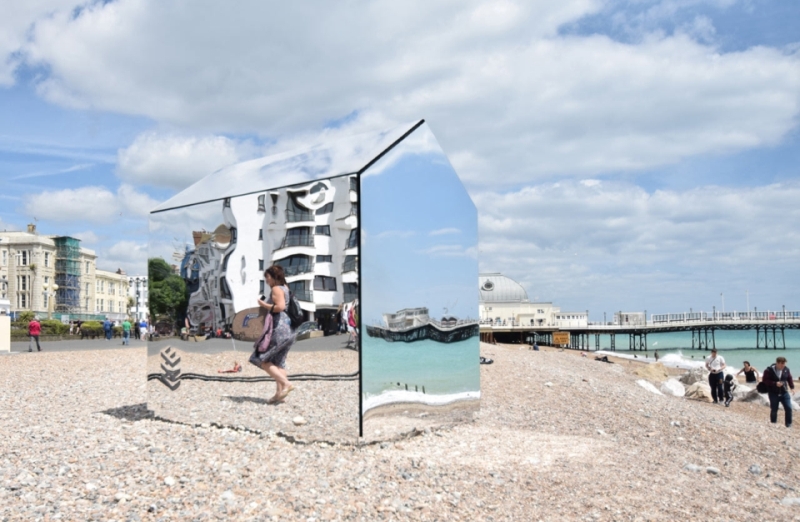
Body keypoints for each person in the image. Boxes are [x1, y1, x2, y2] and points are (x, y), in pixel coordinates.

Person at [249, 265, 297, 404]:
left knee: (262, 360)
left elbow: (280, 307)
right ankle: (279, 395)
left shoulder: (276, 289)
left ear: (275, 277)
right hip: (289, 328)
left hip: (279, 328)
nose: (267, 280)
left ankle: (286, 384)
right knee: (279, 363)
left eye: (268, 277)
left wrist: (264, 305)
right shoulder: (285, 288)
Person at [762, 357, 795, 428]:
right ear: (777, 363)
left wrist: (792, 387)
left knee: (789, 408)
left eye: (784, 364)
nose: (783, 366)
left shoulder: (786, 369)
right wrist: (775, 383)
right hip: (773, 393)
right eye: (782, 364)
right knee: (774, 409)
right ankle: (773, 423)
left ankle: (788, 424)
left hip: (784, 392)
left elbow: (789, 378)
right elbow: (765, 380)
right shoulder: (768, 370)